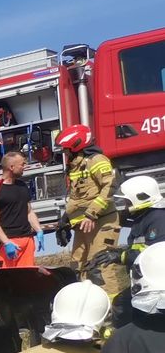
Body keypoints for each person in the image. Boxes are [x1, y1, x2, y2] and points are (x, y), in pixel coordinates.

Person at [57, 125, 122, 295]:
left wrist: (91, 214)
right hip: (83, 225)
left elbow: (110, 186)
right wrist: (65, 221)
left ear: (76, 146)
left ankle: (111, 316)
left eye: (66, 150)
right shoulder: (76, 166)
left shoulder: (97, 160)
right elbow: (77, 198)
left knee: (100, 268)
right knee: (78, 268)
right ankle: (89, 311)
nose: (65, 154)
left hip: (102, 222)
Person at [0, 153, 45, 268]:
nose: (24, 167)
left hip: (27, 240)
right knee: (6, 281)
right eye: (22, 164)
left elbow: (29, 211)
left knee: (25, 279)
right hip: (8, 242)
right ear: (11, 167)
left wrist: (39, 230)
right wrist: (6, 243)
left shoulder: (22, 186)